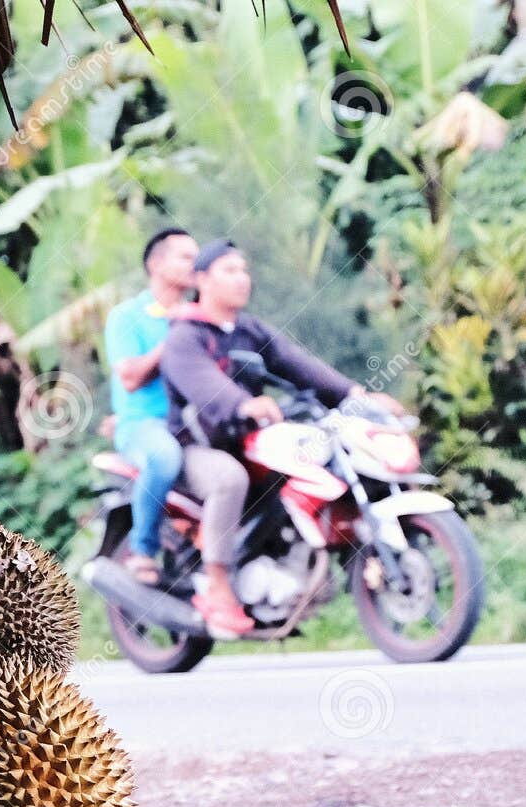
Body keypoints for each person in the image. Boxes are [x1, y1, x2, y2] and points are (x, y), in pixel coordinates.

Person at [160, 239, 404, 638]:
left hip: (251, 443)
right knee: (229, 479)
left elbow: (298, 365)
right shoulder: (184, 336)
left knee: (305, 472)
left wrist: (356, 396)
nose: (242, 278)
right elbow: (203, 385)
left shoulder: (249, 330)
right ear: (201, 279)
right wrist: (243, 403)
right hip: (198, 448)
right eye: (229, 270)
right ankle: (218, 582)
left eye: (244, 269)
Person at [102, 226, 200, 584]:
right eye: (186, 256)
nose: (195, 263)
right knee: (163, 458)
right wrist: (177, 336)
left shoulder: (198, 315)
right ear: (156, 264)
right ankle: (143, 550)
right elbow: (130, 377)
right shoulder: (128, 315)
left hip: (195, 425)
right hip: (143, 425)